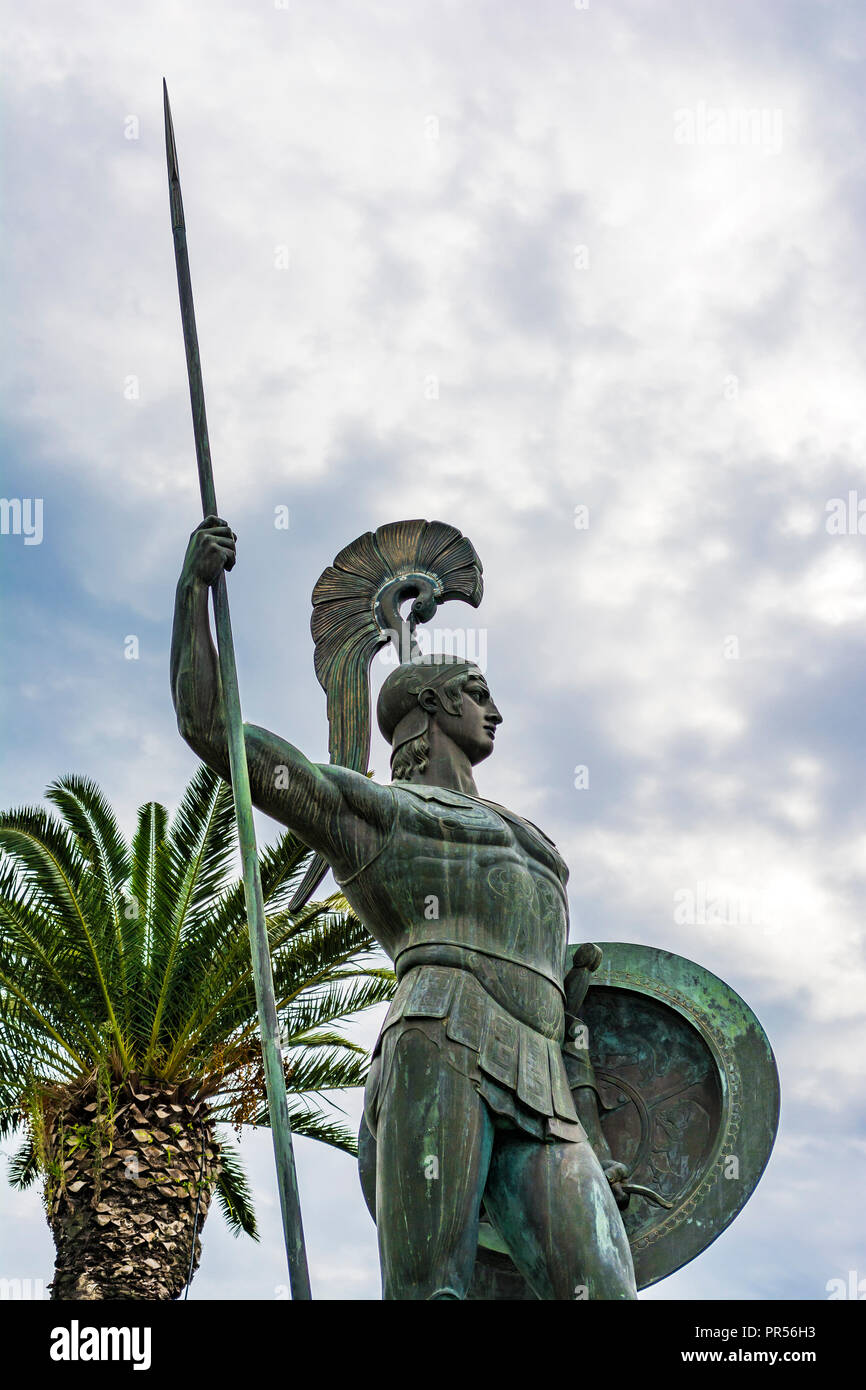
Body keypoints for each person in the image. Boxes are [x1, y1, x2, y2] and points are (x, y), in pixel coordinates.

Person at [171, 515, 637, 1300]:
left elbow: (562, 1012)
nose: (495, 714)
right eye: (477, 695)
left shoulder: (534, 838)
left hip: (545, 1081)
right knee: (432, 1292)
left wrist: (593, 1134)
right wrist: (193, 593)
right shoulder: (376, 815)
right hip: (440, 1040)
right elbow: (213, 730)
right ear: (430, 702)